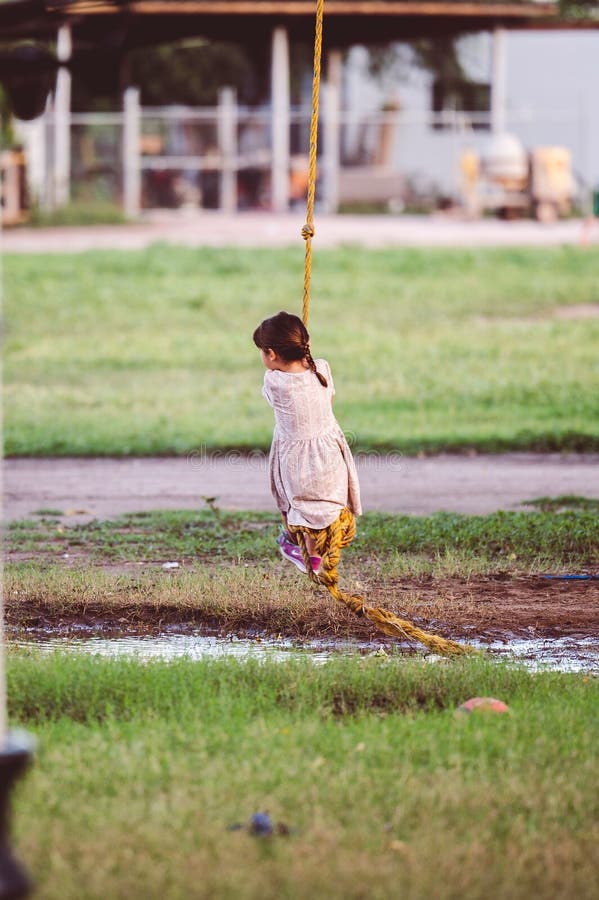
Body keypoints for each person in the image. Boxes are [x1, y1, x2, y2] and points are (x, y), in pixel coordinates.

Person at [253, 311, 362, 574]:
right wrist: (306, 356)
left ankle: (294, 545)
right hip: (329, 451)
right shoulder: (322, 368)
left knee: (295, 502)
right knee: (322, 501)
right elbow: (328, 399)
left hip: (297, 458)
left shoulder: (275, 382)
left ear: (271, 354)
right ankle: (313, 558)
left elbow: (276, 394)